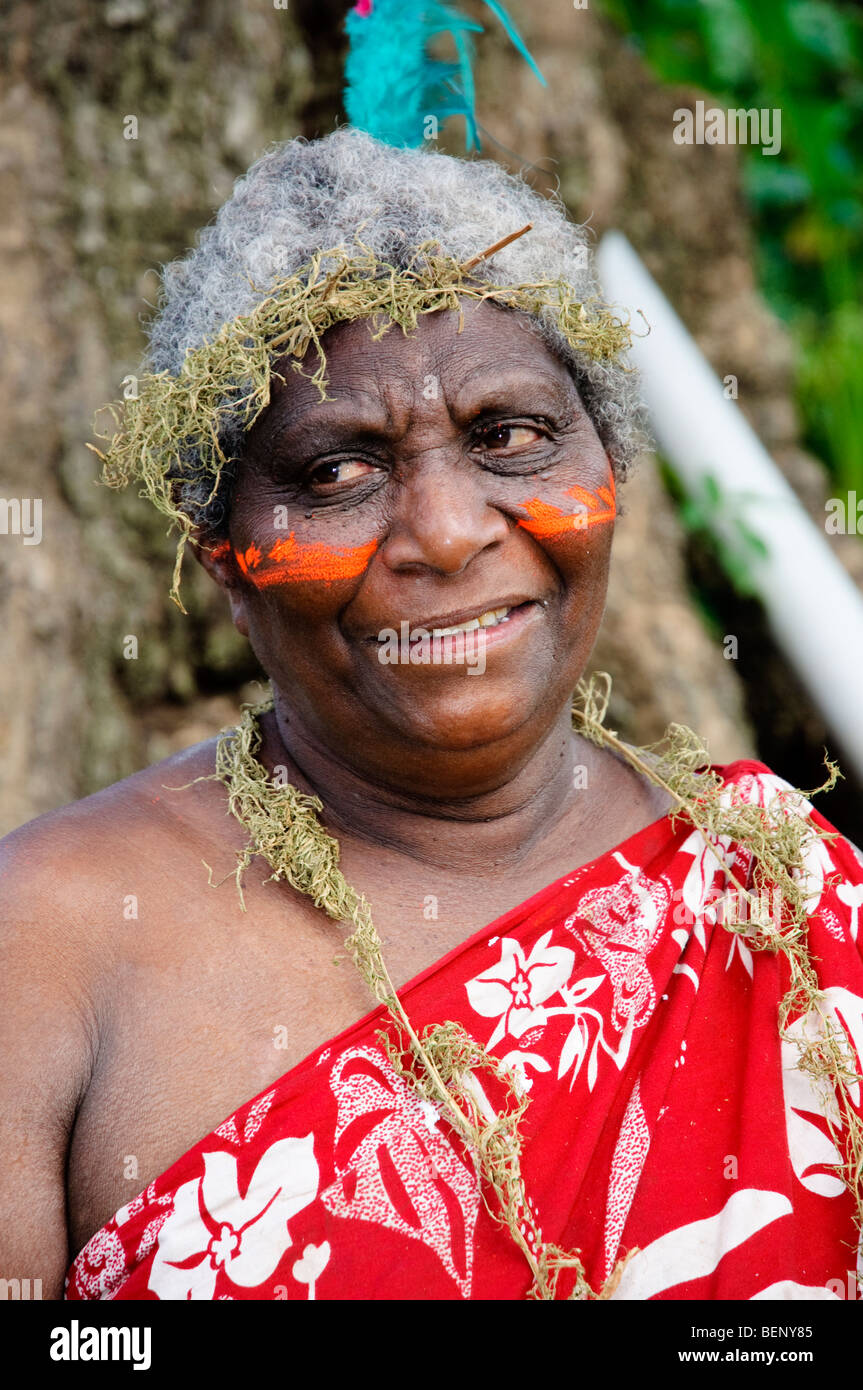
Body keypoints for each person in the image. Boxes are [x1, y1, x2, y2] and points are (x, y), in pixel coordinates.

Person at [1, 130, 861, 1302]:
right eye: (337, 472)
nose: (448, 532)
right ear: (224, 565)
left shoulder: (783, 895)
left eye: (506, 437)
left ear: (608, 470)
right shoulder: (46, 938)